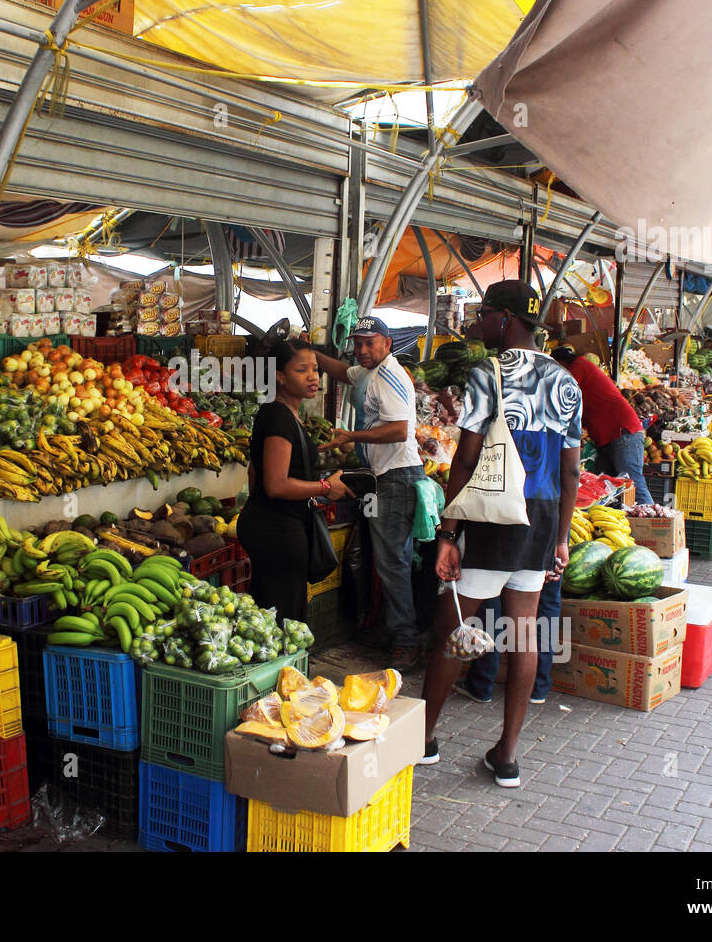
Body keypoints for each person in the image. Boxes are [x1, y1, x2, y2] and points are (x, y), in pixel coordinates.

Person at [416, 280, 582, 787]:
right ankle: (507, 756)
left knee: (452, 628)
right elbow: (572, 469)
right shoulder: (566, 381)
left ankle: (423, 739)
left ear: (505, 319)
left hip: (494, 515)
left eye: (485, 313)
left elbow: (466, 459)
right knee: (524, 632)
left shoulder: (488, 374)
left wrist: (447, 532)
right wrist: (561, 537)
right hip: (543, 516)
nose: (478, 323)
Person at [312, 317, 427, 672]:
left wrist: (351, 437)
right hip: (378, 480)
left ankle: (406, 641)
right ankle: (390, 628)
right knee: (384, 557)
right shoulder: (367, 372)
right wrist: (311, 354)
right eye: (358, 343)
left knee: (393, 562)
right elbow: (343, 372)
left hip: (396, 479)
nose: (362, 349)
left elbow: (399, 430)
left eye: (369, 343)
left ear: (387, 344)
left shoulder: (391, 375)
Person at [237, 340, 349, 624]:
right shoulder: (279, 417)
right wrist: (326, 488)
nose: (313, 377)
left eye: (315, 369)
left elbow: (254, 473)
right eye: (302, 370)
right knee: (283, 619)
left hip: (273, 524)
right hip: (278, 530)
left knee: (273, 614)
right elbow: (276, 484)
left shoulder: (287, 414)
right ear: (280, 376)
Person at [550, 345, 653, 505]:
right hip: (610, 436)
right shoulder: (582, 367)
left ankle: (653, 517)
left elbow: (561, 395)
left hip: (622, 432)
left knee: (633, 484)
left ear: (561, 363)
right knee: (605, 488)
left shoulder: (579, 366)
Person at [451, 575, 563, 708]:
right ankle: (536, 687)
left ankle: (482, 683)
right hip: (541, 562)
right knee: (546, 601)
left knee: (490, 594)